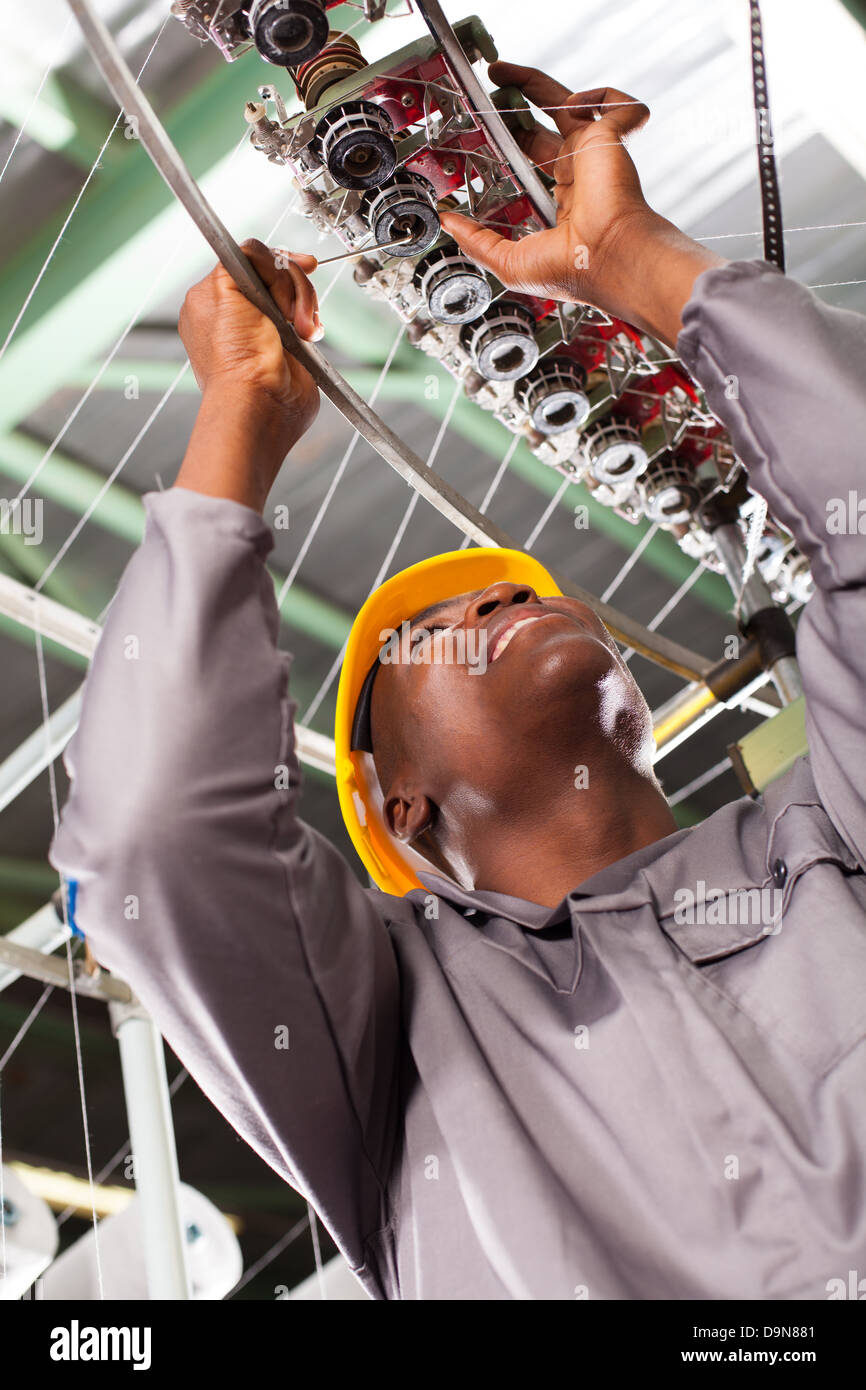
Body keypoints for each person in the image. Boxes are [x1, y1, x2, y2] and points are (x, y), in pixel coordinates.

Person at [50, 63, 866, 1300]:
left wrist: (627, 255)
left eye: (519, 590)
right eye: (434, 630)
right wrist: (236, 421)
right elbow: (152, 835)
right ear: (397, 808)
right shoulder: (385, 1046)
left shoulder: (832, 839)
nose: (502, 596)